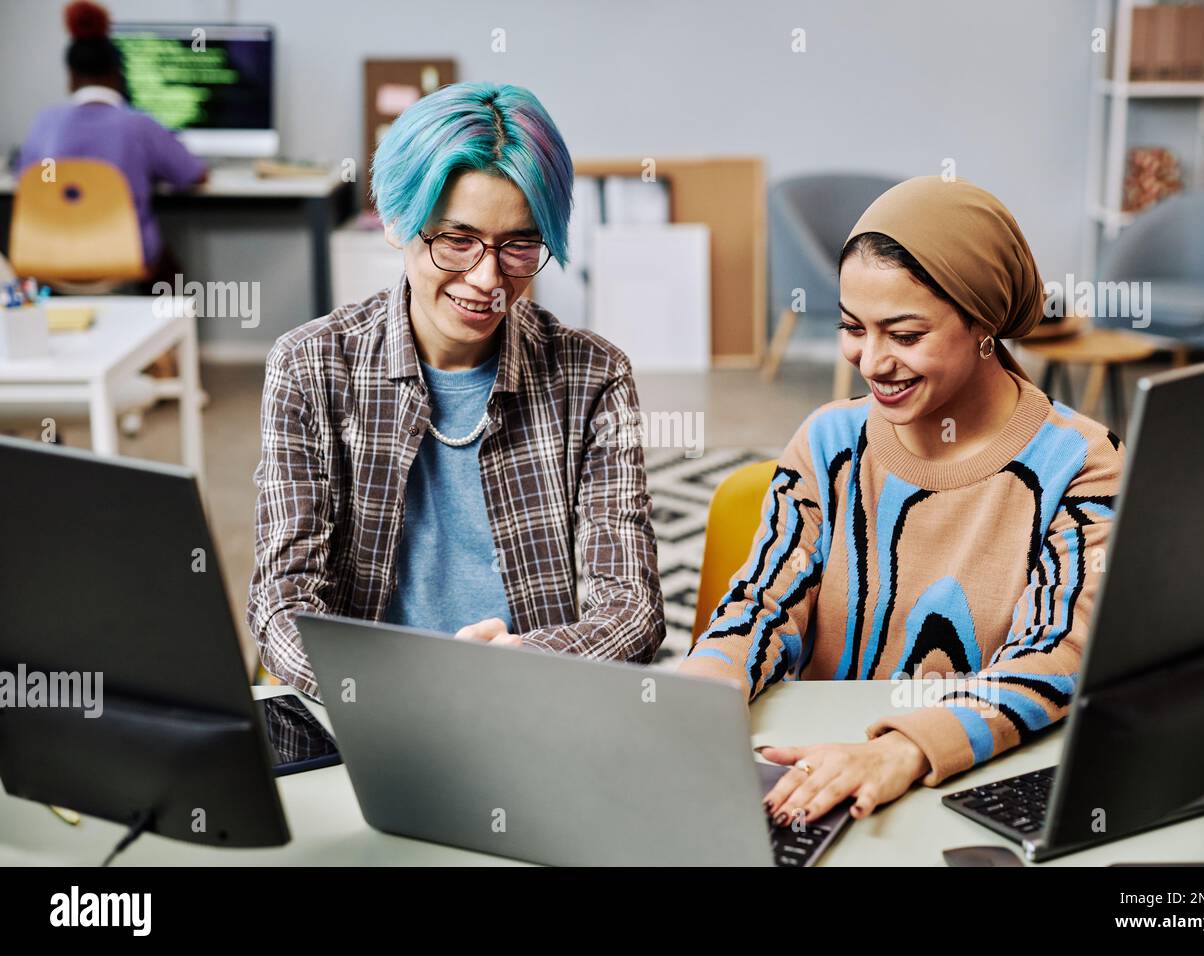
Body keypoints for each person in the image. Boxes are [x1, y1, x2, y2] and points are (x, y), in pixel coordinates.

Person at [679, 176, 1124, 826]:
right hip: (810, 779)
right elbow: (763, 601)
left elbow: (1058, 651)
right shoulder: (829, 440)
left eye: (905, 334)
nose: (872, 360)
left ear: (983, 324)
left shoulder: (1081, 462)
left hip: (968, 788)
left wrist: (904, 749)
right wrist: (710, 678)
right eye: (852, 328)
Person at [248, 82, 665, 697]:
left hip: (528, 700)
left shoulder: (595, 377)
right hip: (372, 707)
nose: (487, 278)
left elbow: (632, 608)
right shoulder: (310, 366)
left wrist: (520, 659)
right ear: (397, 221)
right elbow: (281, 600)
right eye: (457, 240)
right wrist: (395, 685)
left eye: (519, 245)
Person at [17, 2, 208, 283]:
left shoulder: (43, 123)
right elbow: (194, 174)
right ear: (117, 75)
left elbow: (30, 179)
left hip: (48, 256)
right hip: (123, 256)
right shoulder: (139, 125)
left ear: (71, 77)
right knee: (173, 271)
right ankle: (176, 325)